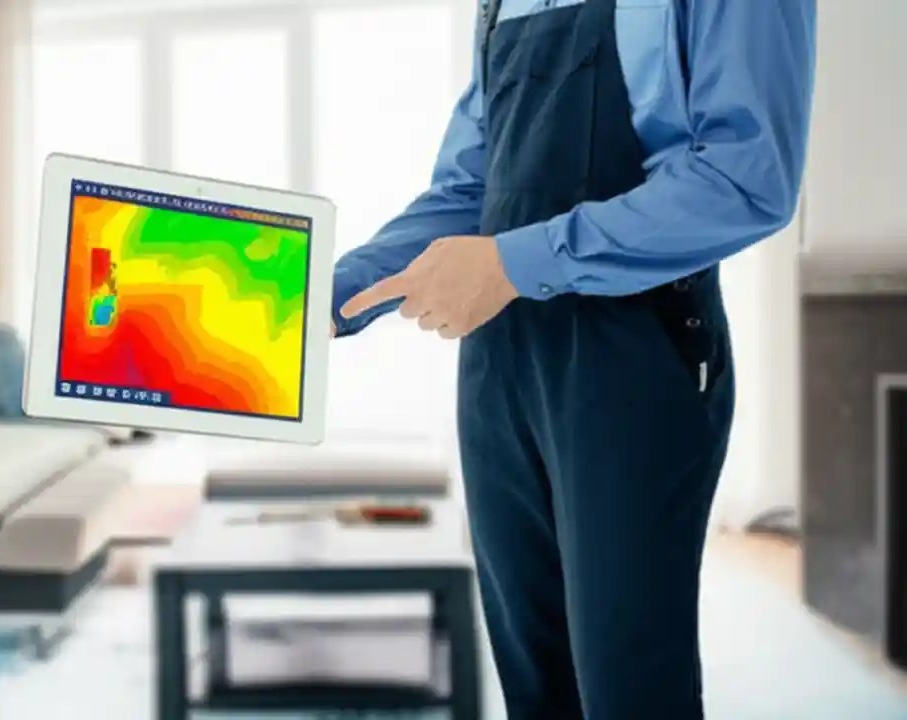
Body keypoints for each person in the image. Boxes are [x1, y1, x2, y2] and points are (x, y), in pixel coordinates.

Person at [331, 1, 817, 718]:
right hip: (500, 365)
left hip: (637, 358)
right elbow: (472, 190)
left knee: (628, 688)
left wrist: (514, 263)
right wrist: (331, 290)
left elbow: (745, 181)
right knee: (534, 679)